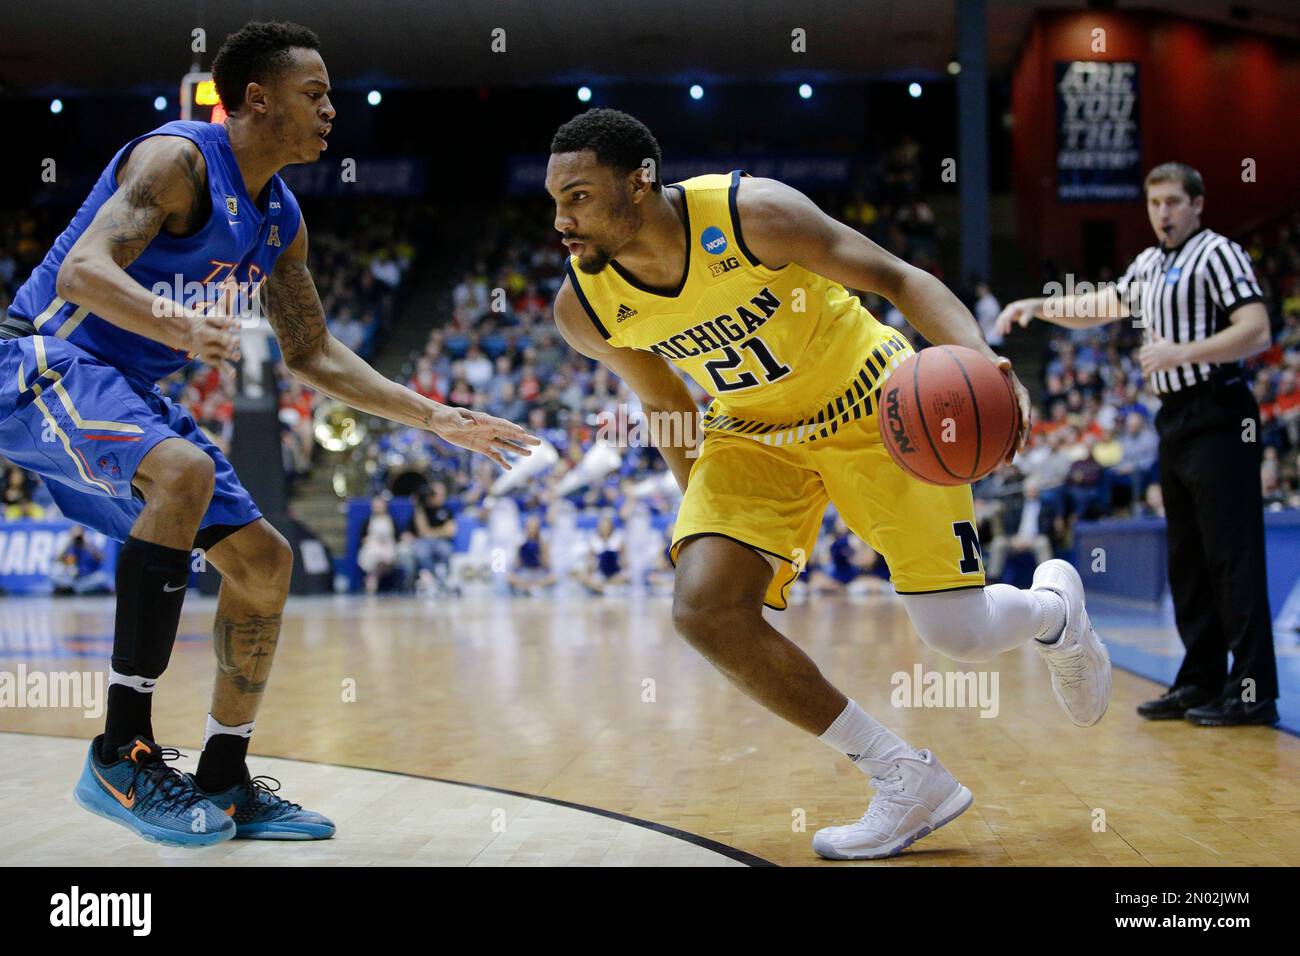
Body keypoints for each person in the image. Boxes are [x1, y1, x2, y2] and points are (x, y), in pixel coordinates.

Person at [0, 20, 536, 847]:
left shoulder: (281, 218)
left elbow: (313, 352)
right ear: (256, 98)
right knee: (182, 473)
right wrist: (178, 324)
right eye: (315, 94)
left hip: (124, 387)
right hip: (41, 357)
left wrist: (436, 416)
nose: (332, 111)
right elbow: (81, 272)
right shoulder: (176, 161)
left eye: (331, 97)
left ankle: (224, 774)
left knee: (265, 561)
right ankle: (121, 750)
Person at [545, 108, 1110, 861]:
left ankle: (1052, 613)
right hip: (752, 435)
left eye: (578, 197)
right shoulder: (582, 305)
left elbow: (900, 278)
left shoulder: (755, 216)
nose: (562, 221)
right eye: (555, 202)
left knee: (959, 636)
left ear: (639, 182)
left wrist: (981, 362)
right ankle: (904, 777)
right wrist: (702, 516)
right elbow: (664, 401)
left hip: (877, 406)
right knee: (703, 604)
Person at [996, 161, 1278, 727]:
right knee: (1188, 559)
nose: (1164, 213)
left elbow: (1257, 328)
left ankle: (1251, 690)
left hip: (1219, 410)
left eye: (1174, 202)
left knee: (1232, 555)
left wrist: (1181, 352)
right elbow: (1100, 305)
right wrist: (1036, 307)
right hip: (1173, 418)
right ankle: (1199, 679)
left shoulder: (1218, 254)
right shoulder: (1149, 265)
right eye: (1155, 204)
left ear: (1197, 204)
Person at [51, 526, 113, 595]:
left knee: (102, 577)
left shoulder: (89, 546)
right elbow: (57, 559)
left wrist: (86, 543)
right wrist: (69, 542)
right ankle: (78, 589)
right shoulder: (69, 546)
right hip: (71, 579)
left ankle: (75, 589)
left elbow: (101, 558)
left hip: (87, 578)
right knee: (54, 576)